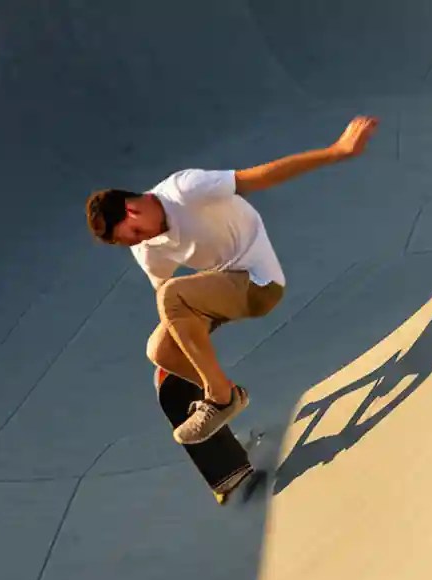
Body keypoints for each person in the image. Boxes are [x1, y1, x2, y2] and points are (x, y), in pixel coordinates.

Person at [85, 115, 380, 448]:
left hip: (260, 283)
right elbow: (171, 308)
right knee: (159, 349)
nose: (140, 241)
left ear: (132, 210)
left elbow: (258, 178)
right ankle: (228, 393)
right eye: (132, 241)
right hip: (223, 288)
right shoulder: (145, 248)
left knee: (172, 295)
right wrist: (182, 346)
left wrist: (336, 151)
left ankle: (220, 398)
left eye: (135, 233)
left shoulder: (184, 189)